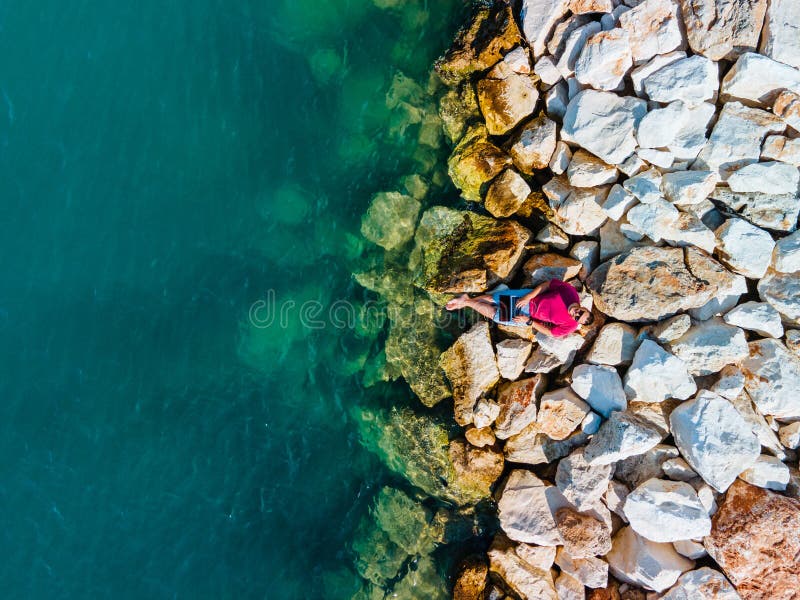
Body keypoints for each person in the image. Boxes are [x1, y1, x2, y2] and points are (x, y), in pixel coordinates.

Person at [445, 278, 593, 338]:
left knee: (496, 315)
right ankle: (465, 301)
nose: (576, 314)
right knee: (494, 299)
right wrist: (528, 297)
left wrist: (529, 322)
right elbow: (547, 285)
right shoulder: (570, 293)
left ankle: (466, 301)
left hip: (528, 316)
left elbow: (550, 332)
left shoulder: (570, 325)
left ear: (577, 322)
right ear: (584, 307)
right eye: (581, 312)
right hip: (528, 299)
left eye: (578, 318)